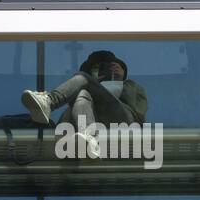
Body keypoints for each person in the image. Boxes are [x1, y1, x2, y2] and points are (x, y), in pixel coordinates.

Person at [20, 50, 148, 159]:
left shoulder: (129, 85)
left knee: (83, 79)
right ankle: (90, 140)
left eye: (105, 67)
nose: (100, 71)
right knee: (82, 93)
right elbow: (64, 121)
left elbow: (139, 114)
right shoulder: (83, 95)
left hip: (125, 124)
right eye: (96, 68)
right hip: (94, 124)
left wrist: (119, 80)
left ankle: (50, 101)